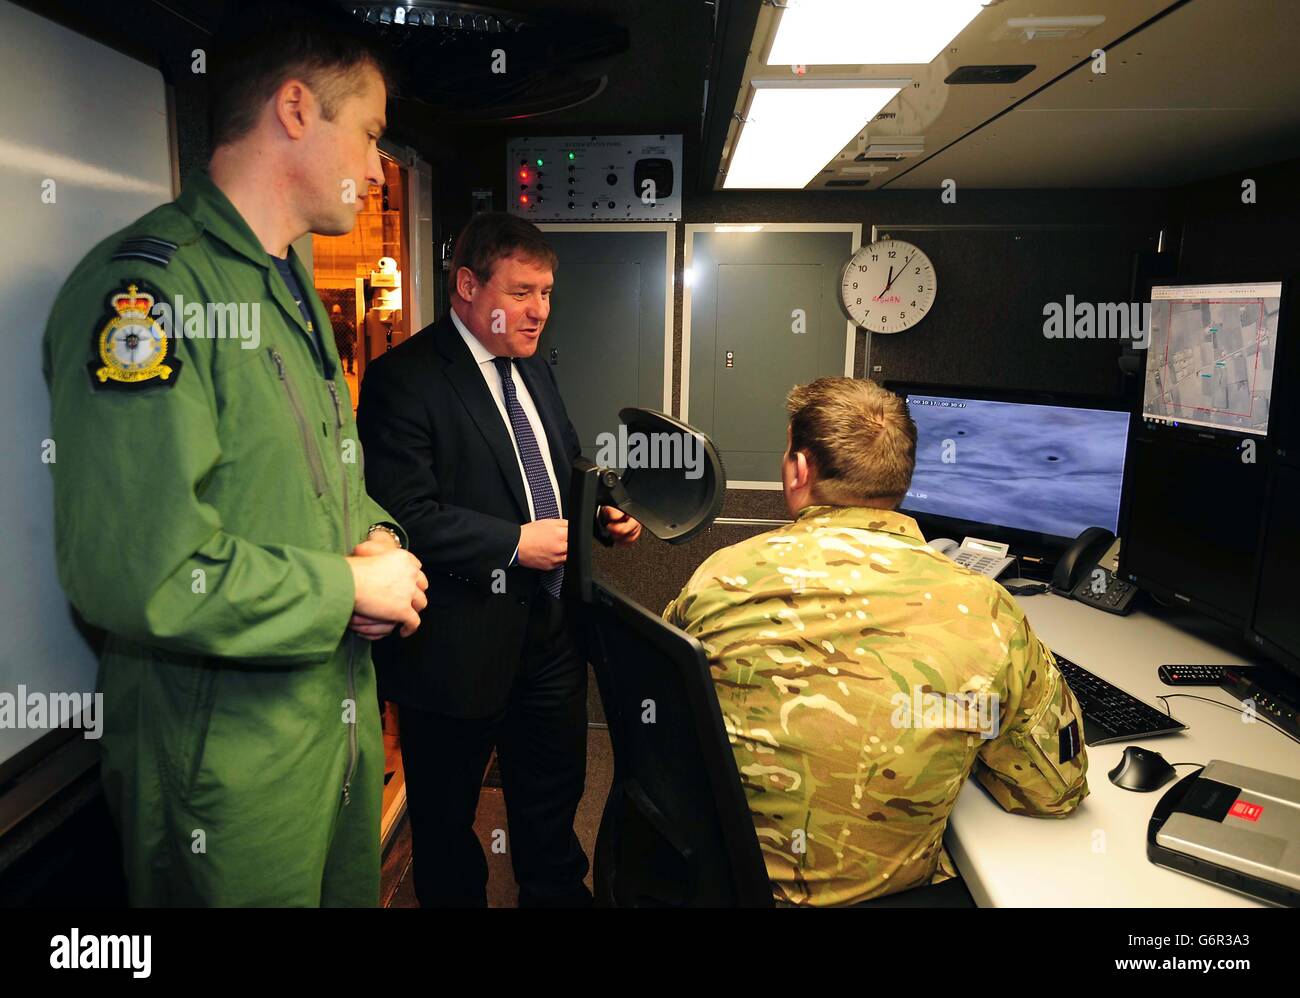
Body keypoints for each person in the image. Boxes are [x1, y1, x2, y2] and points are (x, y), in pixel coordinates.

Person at [40, 5, 428, 906]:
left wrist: (372, 537)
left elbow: (323, 478)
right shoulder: (149, 293)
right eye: (370, 134)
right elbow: (143, 569)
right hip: (227, 766)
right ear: (296, 109)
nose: (378, 169)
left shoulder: (286, 279)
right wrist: (346, 589)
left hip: (328, 728)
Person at [663, 377, 1089, 907]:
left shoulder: (719, 578)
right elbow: (1053, 789)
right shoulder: (987, 609)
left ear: (798, 470)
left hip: (713, 883)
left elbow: (665, 718)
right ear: (902, 479)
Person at [357, 212, 642, 907]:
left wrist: (602, 507)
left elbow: (563, 462)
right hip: (453, 650)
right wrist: (513, 543)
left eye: (546, 292)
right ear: (466, 285)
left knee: (550, 816)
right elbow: (405, 514)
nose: (539, 309)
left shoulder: (535, 369)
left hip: (550, 640)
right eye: (521, 292)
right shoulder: (405, 378)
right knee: (450, 834)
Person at [330, 302, 356, 374]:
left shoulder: (330, 319)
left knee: (339, 356)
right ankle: (349, 368)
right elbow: (350, 328)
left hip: (336, 341)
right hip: (345, 340)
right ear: (339, 310)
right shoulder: (343, 319)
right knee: (350, 354)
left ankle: (341, 370)